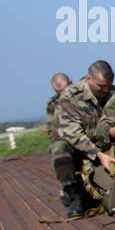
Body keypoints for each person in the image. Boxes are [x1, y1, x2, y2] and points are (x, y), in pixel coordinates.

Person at [55, 61, 115, 217]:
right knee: (60, 146)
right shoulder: (70, 97)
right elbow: (72, 133)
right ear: (88, 79)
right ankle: (75, 195)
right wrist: (97, 154)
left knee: (114, 193)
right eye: (101, 86)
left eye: (108, 86)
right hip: (82, 150)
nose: (105, 90)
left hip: (108, 148)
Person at [45, 72, 74, 205]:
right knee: (58, 149)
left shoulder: (80, 95)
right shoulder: (52, 103)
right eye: (59, 92)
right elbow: (51, 129)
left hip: (85, 134)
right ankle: (68, 186)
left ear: (71, 83)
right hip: (66, 139)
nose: (63, 94)